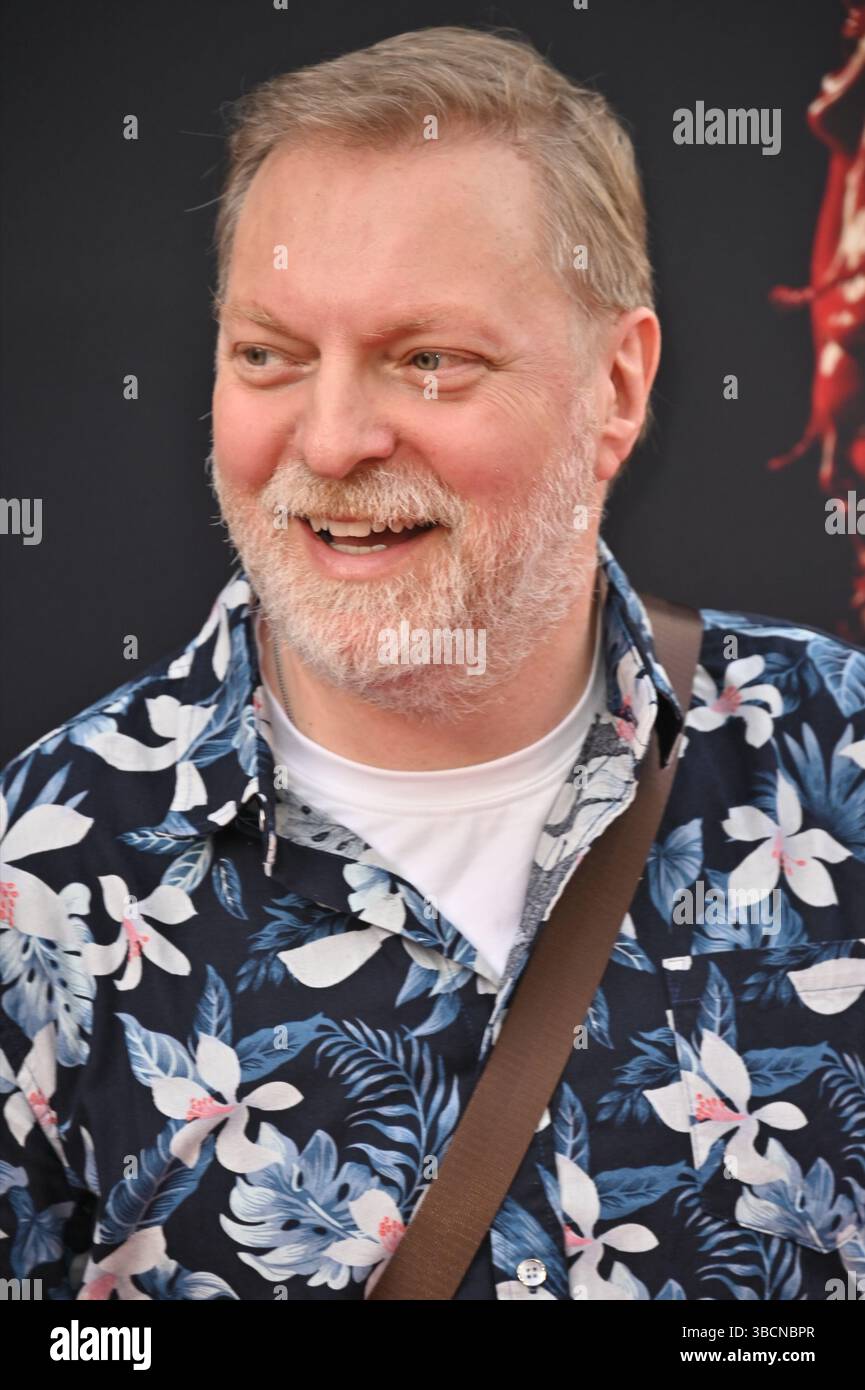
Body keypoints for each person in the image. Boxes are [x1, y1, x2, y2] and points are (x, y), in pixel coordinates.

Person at [1, 25, 864, 1303]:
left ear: (615, 387)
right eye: (268, 355)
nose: (333, 438)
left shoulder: (835, 760)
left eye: (429, 360)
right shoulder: (42, 868)